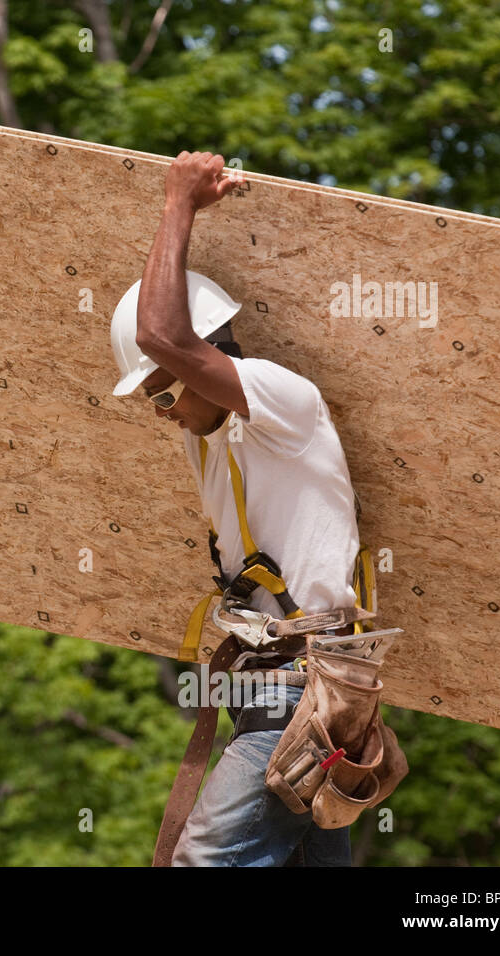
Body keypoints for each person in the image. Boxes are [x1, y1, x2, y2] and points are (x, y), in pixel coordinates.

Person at [110, 152, 364, 866]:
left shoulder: (283, 404)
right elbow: (167, 350)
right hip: (275, 694)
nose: (161, 413)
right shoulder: (210, 443)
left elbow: (164, 337)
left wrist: (179, 204)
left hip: (301, 693)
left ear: (209, 357)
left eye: (165, 393)